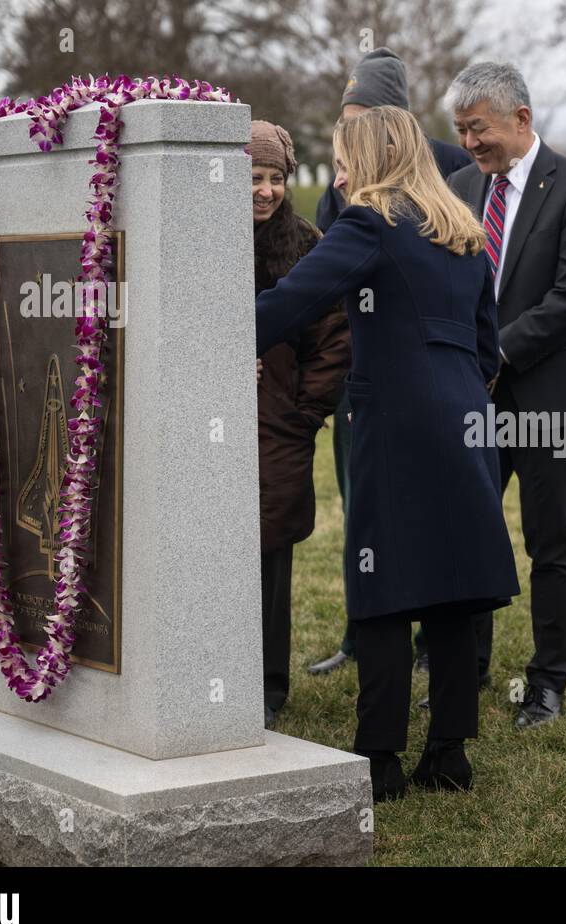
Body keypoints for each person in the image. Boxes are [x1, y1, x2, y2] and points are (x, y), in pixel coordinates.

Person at [256, 106, 520, 801]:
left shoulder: (370, 222)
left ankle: (379, 760)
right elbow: (488, 345)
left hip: (398, 423)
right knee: (454, 586)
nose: (338, 176)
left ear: (371, 162)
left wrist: (199, 324)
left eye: (345, 161)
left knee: (381, 588)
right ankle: (449, 755)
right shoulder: (464, 233)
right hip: (465, 418)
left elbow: (290, 302)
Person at [446, 62, 566, 729]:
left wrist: (497, 352)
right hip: (474, 397)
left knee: (550, 540)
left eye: (478, 127)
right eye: (459, 130)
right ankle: (467, 668)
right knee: (468, 533)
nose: (469, 143)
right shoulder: (457, 188)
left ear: (520, 118)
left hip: (549, 396)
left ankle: (548, 682)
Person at [308, 46, 475, 678]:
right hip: (367, 376)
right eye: (346, 115)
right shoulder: (342, 188)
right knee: (365, 511)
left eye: (364, 115)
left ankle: (440, 647)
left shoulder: (451, 167)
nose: (351, 133)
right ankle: (366, 631)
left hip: (430, 375)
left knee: (442, 517)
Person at [249, 120, 349, 730]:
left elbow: (333, 340)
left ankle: (266, 683)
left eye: (275, 178)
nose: (265, 190)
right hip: (209, 419)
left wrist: (306, 411)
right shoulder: (199, 237)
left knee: (269, 552)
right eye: (253, 177)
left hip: (278, 424)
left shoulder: (307, 244)